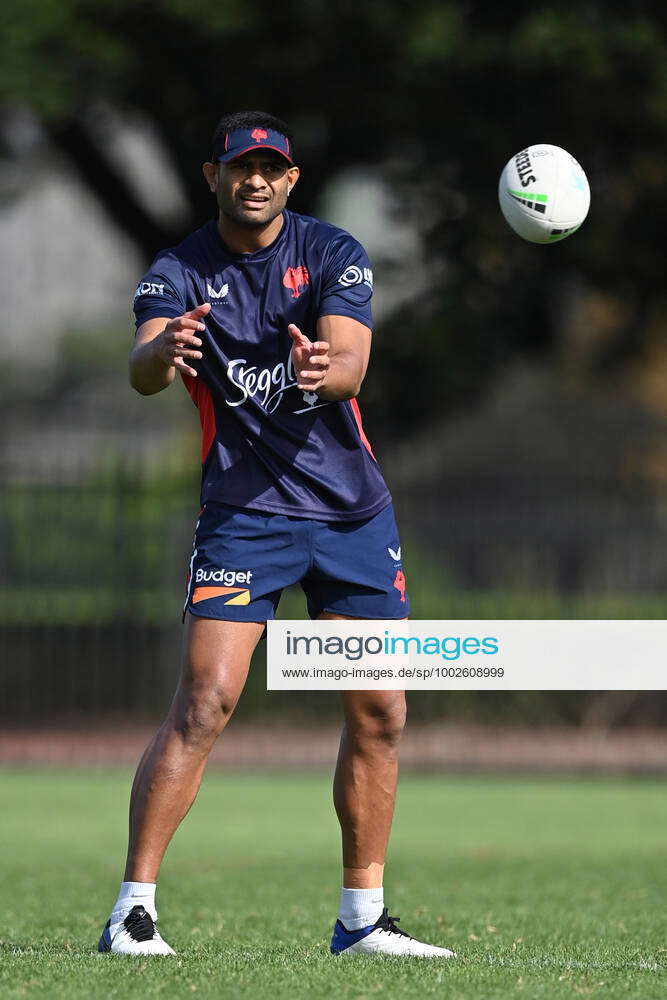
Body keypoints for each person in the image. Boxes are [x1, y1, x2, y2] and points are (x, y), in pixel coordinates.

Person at [97, 110, 454, 959]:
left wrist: (322, 371)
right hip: (244, 515)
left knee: (381, 710)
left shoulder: (333, 252)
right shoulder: (178, 269)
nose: (254, 179)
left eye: (269, 168)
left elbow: (350, 365)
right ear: (213, 177)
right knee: (204, 702)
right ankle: (131, 913)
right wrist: (164, 349)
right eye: (239, 167)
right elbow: (142, 368)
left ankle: (361, 921)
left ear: (290, 179)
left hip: (350, 515)